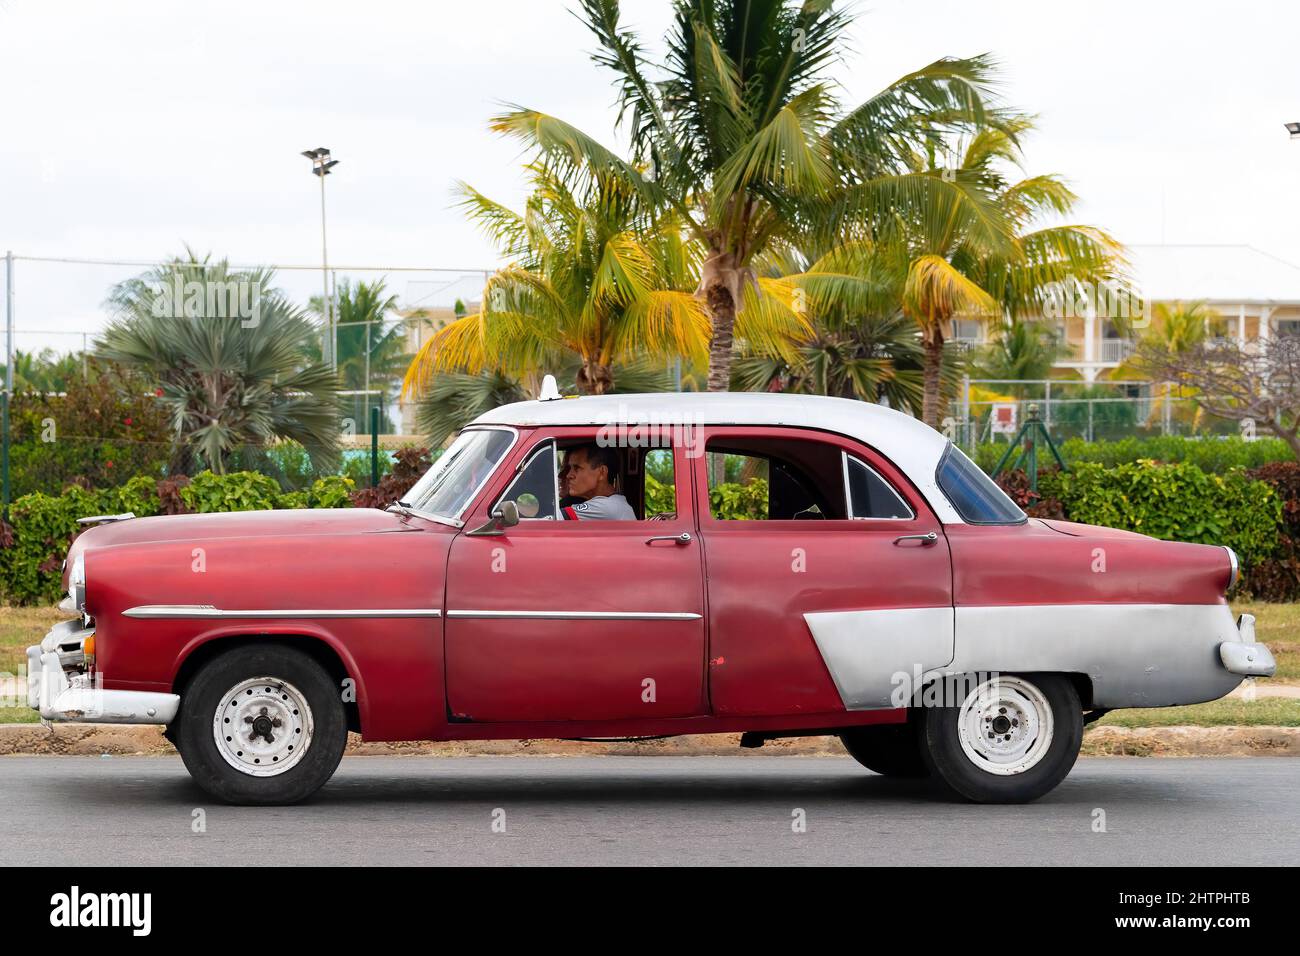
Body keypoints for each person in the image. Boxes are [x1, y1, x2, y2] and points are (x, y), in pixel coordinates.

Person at [559, 444, 636, 520]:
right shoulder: (616, 504)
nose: (568, 475)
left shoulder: (607, 507)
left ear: (602, 472)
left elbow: (549, 518)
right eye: (570, 468)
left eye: (577, 468)